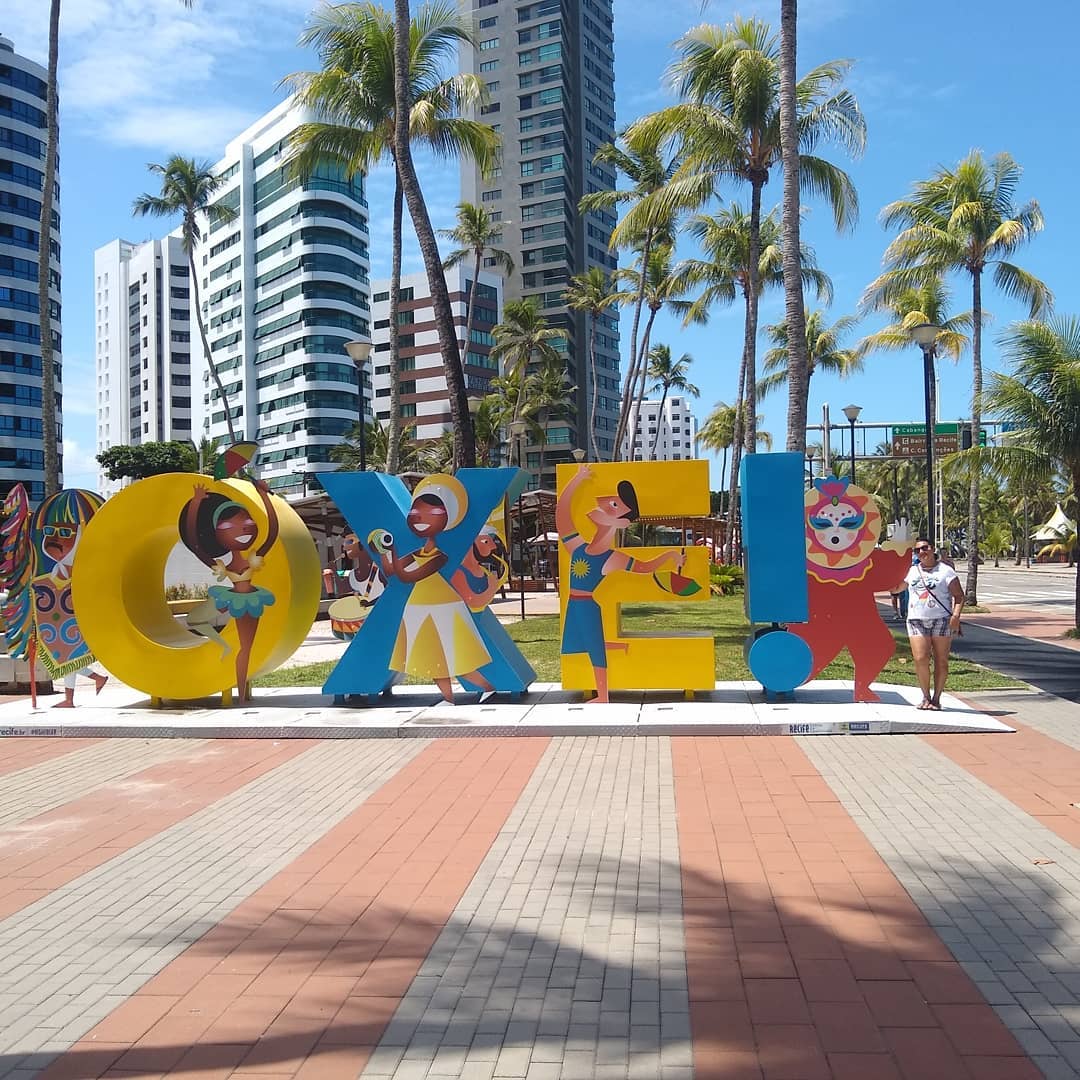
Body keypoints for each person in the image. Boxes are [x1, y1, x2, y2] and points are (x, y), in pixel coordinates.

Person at [556, 464, 685, 703]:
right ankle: (614, 646)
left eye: (613, 505)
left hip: (585, 605)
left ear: (622, 523)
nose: (602, 501)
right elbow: (562, 515)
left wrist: (669, 556)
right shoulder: (579, 547)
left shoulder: (612, 558)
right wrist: (577, 479)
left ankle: (602, 695)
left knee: (593, 647)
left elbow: (645, 568)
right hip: (575, 606)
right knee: (578, 644)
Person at [376, 475, 496, 704]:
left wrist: (393, 557)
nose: (421, 519)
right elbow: (392, 571)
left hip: (445, 608)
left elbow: (407, 575)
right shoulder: (418, 552)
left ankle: (487, 687)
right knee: (432, 656)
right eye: (416, 514)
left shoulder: (440, 557)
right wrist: (385, 550)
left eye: (432, 514)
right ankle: (448, 697)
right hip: (418, 608)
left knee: (453, 655)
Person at [178, 480, 279, 703]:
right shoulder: (223, 564)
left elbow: (273, 530)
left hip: (252, 599)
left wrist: (264, 496)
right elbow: (194, 542)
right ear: (216, 533)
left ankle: (241, 691)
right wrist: (195, 504)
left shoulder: (254, 556)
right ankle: (240, 691)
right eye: (229, 526)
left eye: (247, 522)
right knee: (243, 646)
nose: (244, 528)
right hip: (238, 601)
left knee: (247, 647)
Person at [905, 537, 966, 710]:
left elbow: (959, 596)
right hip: (916, 619)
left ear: (932, 549)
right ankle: (925, 696)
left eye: (924, 548)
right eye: (917, 550)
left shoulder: (945, 571)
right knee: (920, 658)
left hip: (941, 620)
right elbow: (897, 587)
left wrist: (955, 616)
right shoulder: (912, 571)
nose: (921, 552)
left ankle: (936, 698)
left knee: (941, 660)